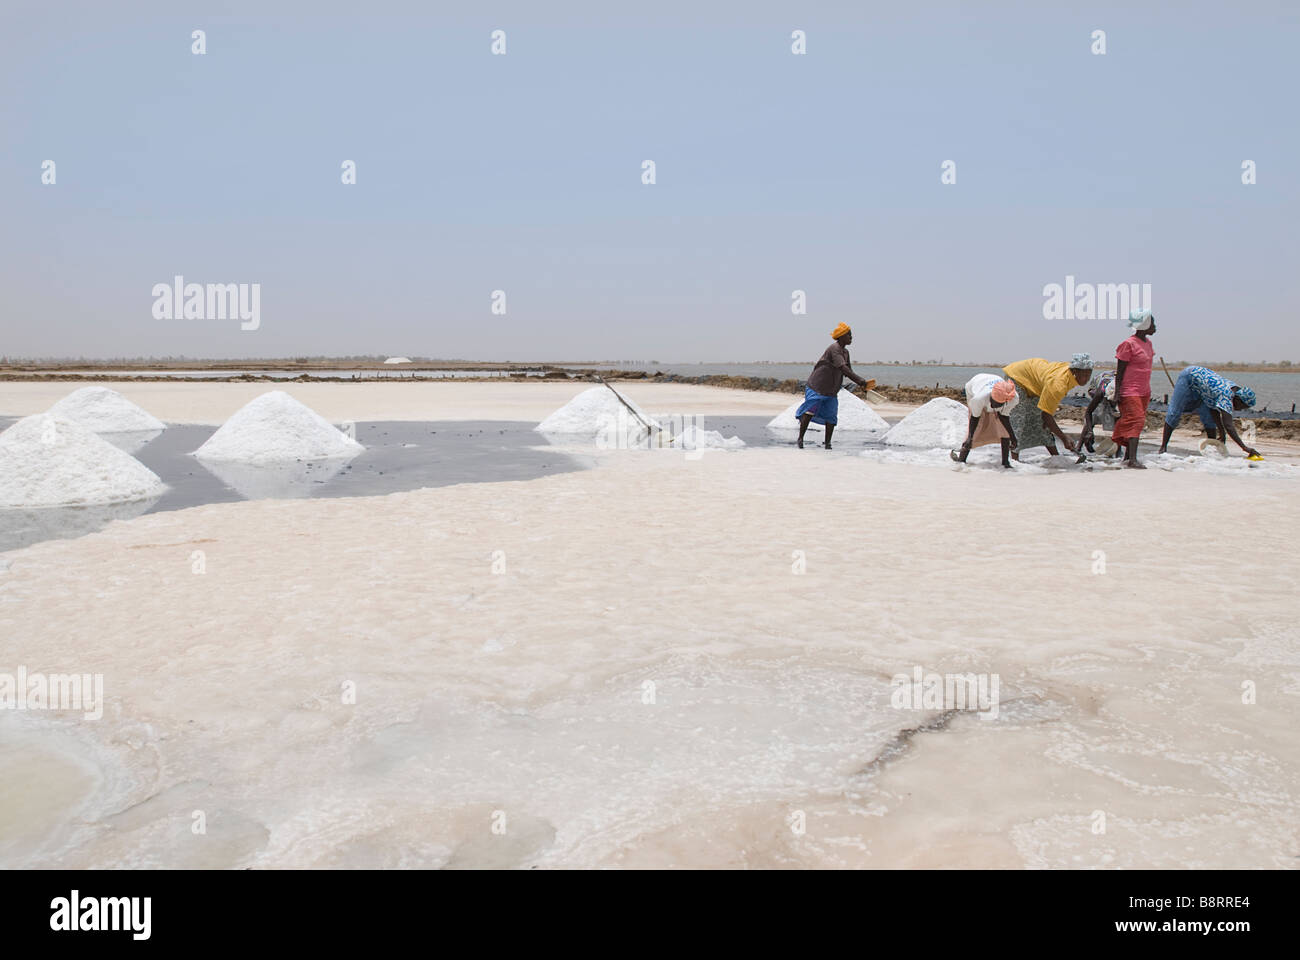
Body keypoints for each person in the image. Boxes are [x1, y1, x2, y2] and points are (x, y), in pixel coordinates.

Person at [796, 322, 875, 449]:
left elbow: (849, 371)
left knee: (831, 416)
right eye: (849, 335)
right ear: (841, 336)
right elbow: (843, 368)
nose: (851, 337)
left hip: (831, 390)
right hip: (817, 386)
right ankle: (800, 438)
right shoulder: (835, 349)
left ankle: (827, 443)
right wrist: (861, 381)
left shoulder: (845, 352)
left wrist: (862, 386)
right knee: (810, 411)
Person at [1001, 354, 1093, 457]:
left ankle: (1056, 457)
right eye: (1084, 375)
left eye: (1089, 375)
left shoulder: (1069, 373)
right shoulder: (1058, 384)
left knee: (1041, 423)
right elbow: (1046, 415)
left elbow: (1045, 416)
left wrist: (1051, 423)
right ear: (1075, 372)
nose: (1087, 379)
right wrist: (1064, 438)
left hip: (1035, 383)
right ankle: (1014, 462)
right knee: (1018, 420)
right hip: (1017, 377)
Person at [1158, 366, 1261, 457]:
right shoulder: (1226, 396)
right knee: (1175, 412)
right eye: (1242, 407)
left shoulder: (1233, 392)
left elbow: (1214, 411)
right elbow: (1229, 425)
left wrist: (1222, 433)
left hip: (1203, 389)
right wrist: (1245, 448)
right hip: (1189, 376)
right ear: (1239, 400)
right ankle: (1163, 447)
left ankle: (1211, 448)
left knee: (1209, 418)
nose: (1240, 409)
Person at [1110, 310, 1157, 468]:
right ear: (1145, 326)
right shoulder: (1128, 344)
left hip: (1144, 391)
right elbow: (1120, 371)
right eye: (1153, 323)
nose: (1155, 326)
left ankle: (1128, 457)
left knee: (1135, 422)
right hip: (1130, 391)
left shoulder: (1148, 344)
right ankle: (1132, 460)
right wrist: (1117, 393)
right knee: (1137, 420)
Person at [951, 375, 1019, 467]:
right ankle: (961, 461)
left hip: (993, 383)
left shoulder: (1013, 398)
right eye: (993, 402)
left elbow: (1004, 417)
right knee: (978, 426)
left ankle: (1006, 463)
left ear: (1005, 401)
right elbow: (974, 418)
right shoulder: (979, 399)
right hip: (975, 385)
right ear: (991, 396)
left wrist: (1012, 437)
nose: (994, 406)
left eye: (999, 404)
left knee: (1003, 429)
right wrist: (970, 437)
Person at [1080, 369, 1119, 456]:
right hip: (1096, 385)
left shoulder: (1125, 391)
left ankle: (1118, 450)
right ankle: (1079, 447)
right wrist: (1090, 432)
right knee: (1095, 415)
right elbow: (1088, 412)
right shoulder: (1100, 392)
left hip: (1113, 384)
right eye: (1112, 402)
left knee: (1116, 418)